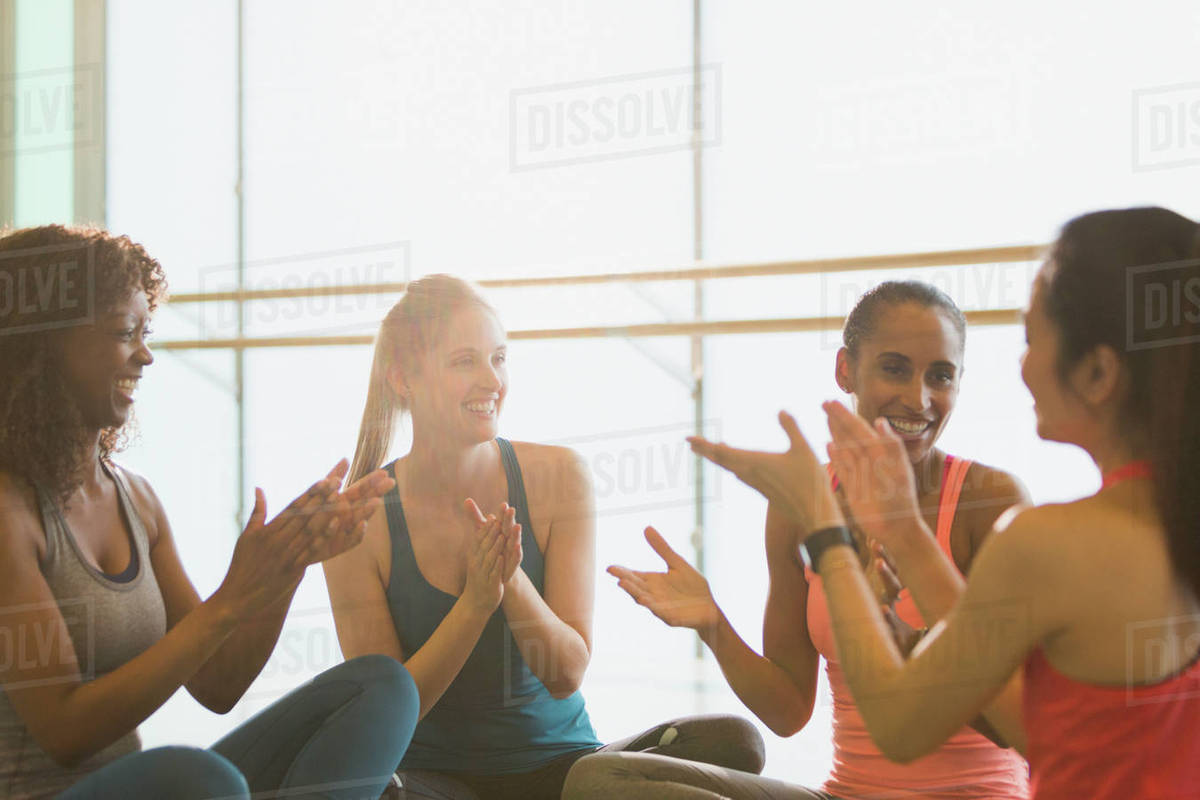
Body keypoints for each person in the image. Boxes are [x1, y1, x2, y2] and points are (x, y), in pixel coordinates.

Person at [652, 207, 1200, 800]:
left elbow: (899, 726)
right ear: (847, 370)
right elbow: (1034, 722)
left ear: (1096, 372)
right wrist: (902, 562)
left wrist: (827, 537)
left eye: (1032, 339)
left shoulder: (1047, 536)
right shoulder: (1166, 520)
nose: (1021, 366)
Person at [0, 225, 418, 800]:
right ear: (43, 344)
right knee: (201, 780)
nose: (145, 355)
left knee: (380, 688)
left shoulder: (137, 501)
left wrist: (287, 565)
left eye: (145, 333)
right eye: (125, 332)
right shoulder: (9, 511)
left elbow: (218, 683)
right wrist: (231, 600)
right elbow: (64, 730)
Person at [574, 281, 1030, 799]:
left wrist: (908, 640)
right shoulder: (803, 502)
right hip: (846, 793)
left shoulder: (989, 499)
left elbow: (1023, 720)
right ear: (845, 370)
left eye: (941, 376)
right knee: (601, 779)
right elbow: (789, 710)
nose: (919, 398)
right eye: (895, 368)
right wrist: (713, 623)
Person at [323, 274, 765, 800]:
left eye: (499, 358)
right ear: (403, 380)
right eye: (465, 361)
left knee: (733, 741)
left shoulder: (559, 476)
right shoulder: (358, 522)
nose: (492, 380)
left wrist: (512, 581)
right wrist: (474, 604)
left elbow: (566, 674)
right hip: (432, 783)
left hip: (564, 771)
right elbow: (387, 716)